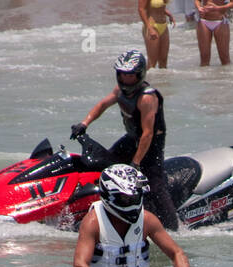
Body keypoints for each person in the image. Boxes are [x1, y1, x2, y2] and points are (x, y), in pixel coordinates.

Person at [71, 50, 179, 231]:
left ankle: (172, 225)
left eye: (130, 75)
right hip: (131, 139)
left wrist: (135, 163)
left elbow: (147, 134)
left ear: (140, 74)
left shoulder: (147, 97)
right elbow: (102, 105)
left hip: (150, 146)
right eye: (122, 74)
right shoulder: (119, 90)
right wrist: (84, 123)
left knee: (155, 186)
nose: (125, 79)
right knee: (106, 166)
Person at [195, 0, 233, 66]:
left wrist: (218, 8)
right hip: (204, 20)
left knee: (225, 58)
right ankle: (204, 76)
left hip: (220, 20)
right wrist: (199, 7)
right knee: (204, 58)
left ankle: (227, 75)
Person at [141, 0, 174, 69]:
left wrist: (169, 14)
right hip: (152, 26)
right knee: (152, 63)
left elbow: (160, 7)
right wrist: (149, 28)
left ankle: (163, 80)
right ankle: (147, 79)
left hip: (164, 25)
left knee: (163, 61)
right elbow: (141, 9)